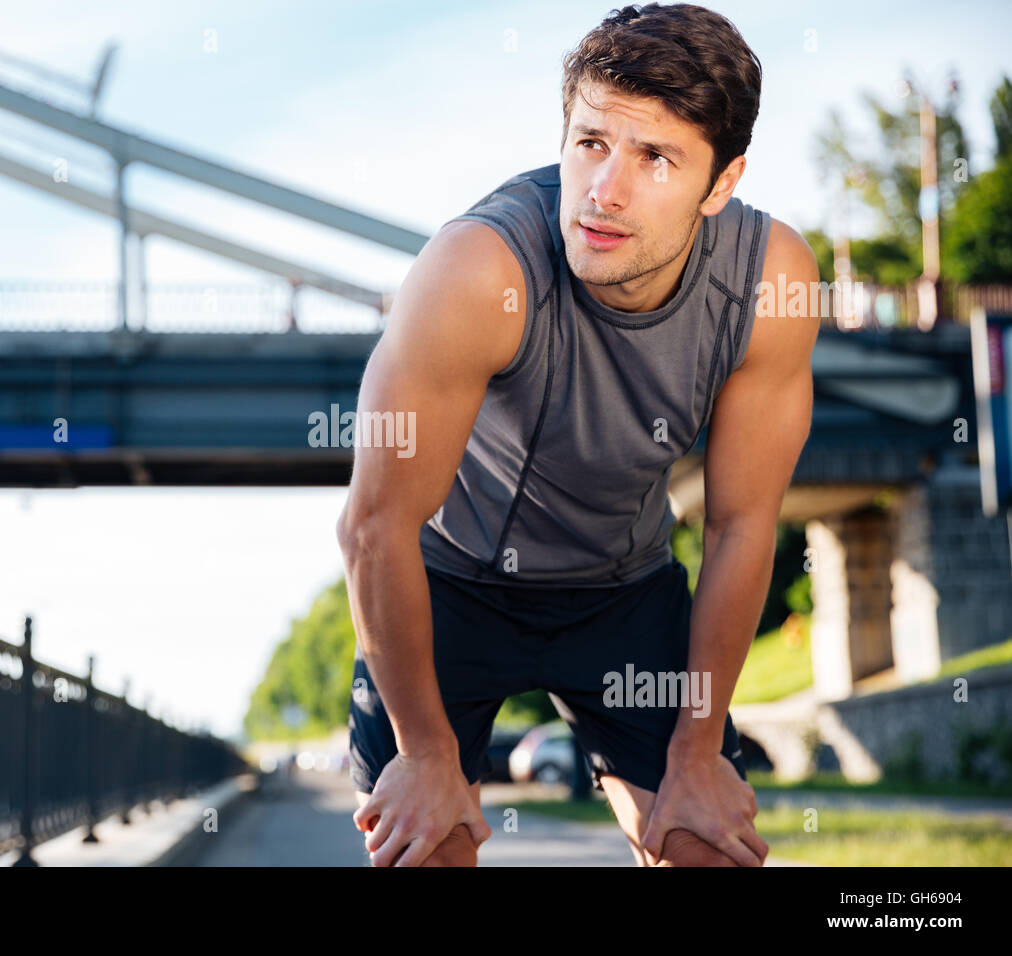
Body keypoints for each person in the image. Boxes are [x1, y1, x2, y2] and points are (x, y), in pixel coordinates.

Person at [336, 2, 820, 867]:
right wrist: (425, 753)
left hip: (622, 593)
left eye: (656, 157)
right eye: (591, 142)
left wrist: (697, 752)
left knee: (701, 846)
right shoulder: (476, 272)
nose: (605, 189)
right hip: (447, 585)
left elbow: (741, 525)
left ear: (721, 184)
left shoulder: (770, 282)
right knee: (427, 849)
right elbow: (375, 527)